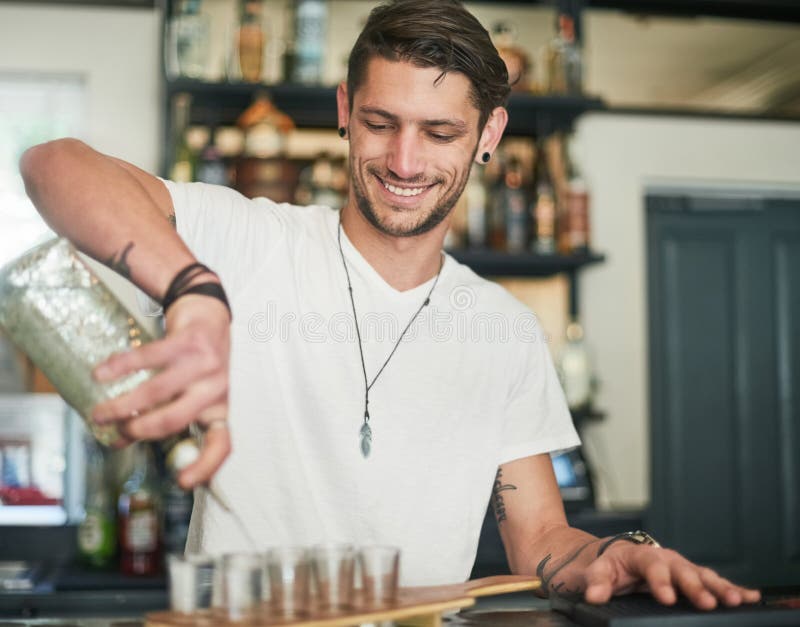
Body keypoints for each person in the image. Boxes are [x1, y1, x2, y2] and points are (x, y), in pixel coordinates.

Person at [20, 0, 759, 609]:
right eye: (381, 123)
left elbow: (540, 542)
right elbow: (53, 165)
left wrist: (615, 554)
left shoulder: (504, 329)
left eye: (440, 132)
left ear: (488, 134)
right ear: (345, 110)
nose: (404, 162)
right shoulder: (249, 240)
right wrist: (194, 289)